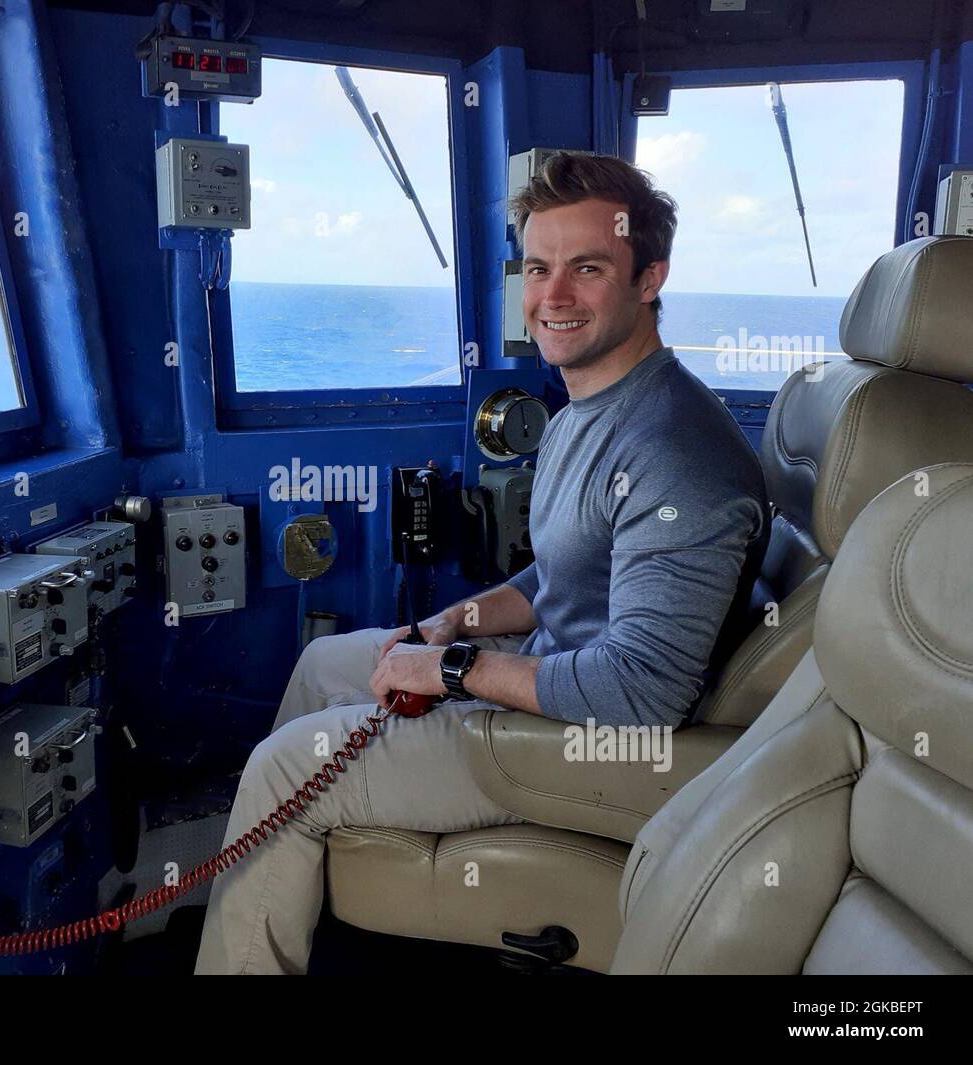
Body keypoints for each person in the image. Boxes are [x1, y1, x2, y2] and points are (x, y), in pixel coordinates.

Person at [195, 151, 769, 975]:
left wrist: (453, 670)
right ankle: (302, 908)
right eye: (538, 268)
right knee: (326, 664)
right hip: (555, 677)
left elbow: (642, 690)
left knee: (285, 766)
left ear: (650, 279)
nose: (553, 297)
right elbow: (564, 576)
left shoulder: (677, 454)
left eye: (588, 268)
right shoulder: (589, 402)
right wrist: (446, 626)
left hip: (595, 741)